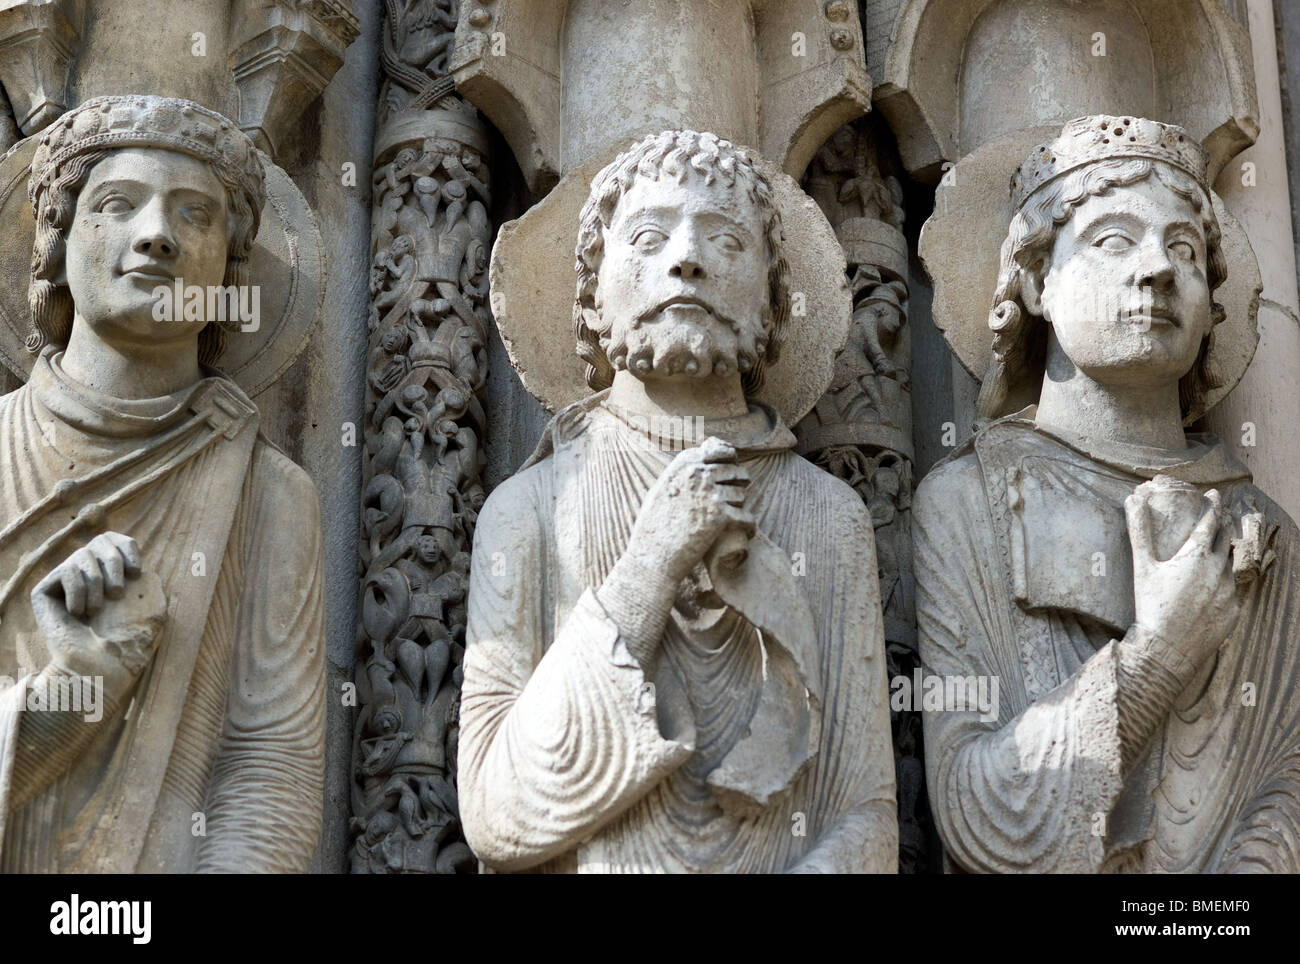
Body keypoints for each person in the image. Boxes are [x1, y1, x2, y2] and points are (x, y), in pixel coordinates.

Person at [457, 129, 897, 873]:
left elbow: (866, 818)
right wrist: (649, 569)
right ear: (593, 297)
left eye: (726, 242)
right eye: (650, 236)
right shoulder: (529, 509)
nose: (685, 260)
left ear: (772, 304)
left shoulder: (828, 518)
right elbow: (498, 813)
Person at [915, 115, 1300, 872]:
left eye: (1184, 249)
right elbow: (971, 807)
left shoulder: (1262, 527)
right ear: (1034, 282)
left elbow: (1287, 781)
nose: (1157, 270)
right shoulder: (969, 502)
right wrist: (1159, 655)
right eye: (1114, 241)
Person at [0, 95, 325, 873]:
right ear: (59, 241)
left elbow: (269, 766)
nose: (157, 237)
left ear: (229, 263)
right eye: (118, 204)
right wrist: (80, 687)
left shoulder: (269, 493)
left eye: (197, 215)